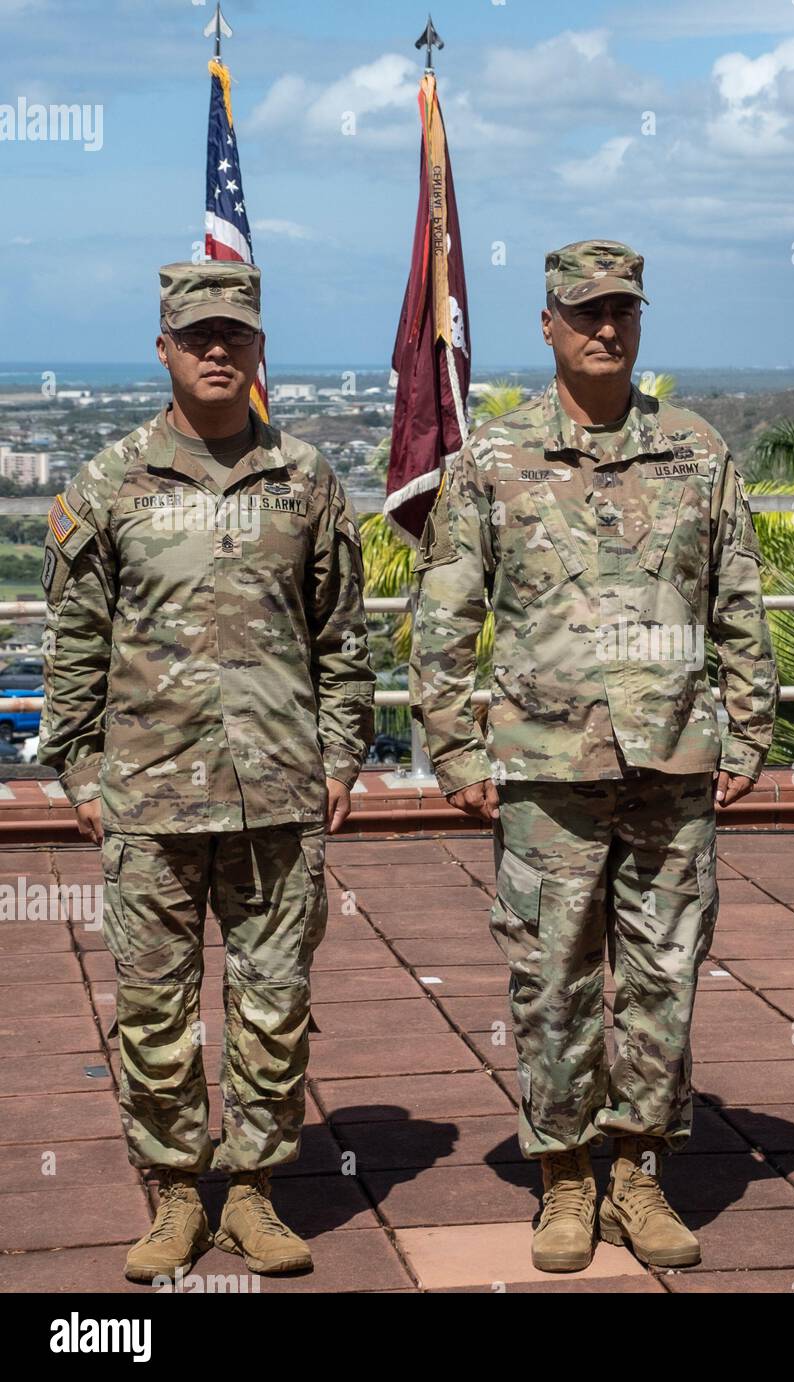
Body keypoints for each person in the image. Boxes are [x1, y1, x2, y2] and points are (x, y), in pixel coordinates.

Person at [411, 240, 777, 1270]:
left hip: (670, 762)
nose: (605, 328)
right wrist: (451, 747)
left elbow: (738, 600)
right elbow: (444, 614)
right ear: (547, 326)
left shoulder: (695, 450)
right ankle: (564, 1175)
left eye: (621, 310)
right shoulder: (494, 458)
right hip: (547, 767)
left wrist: (748, 727)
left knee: (666, 973)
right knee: (553, 976)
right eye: (584, 313)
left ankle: (640, 1166)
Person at [39, 261, 374, 1281]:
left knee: (272, 1005)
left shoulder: (306, 479)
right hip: (148, 795)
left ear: (259, 346)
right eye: (197, 335)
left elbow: (342, 637)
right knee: (153, 1009)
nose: (217, 349)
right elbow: (75, 642)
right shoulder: (109, 482)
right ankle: (178, 1191)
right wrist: (83, 774)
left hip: (278, 792)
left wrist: (344, 752)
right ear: (164, 349)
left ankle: (258, 1192)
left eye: (234, 333)